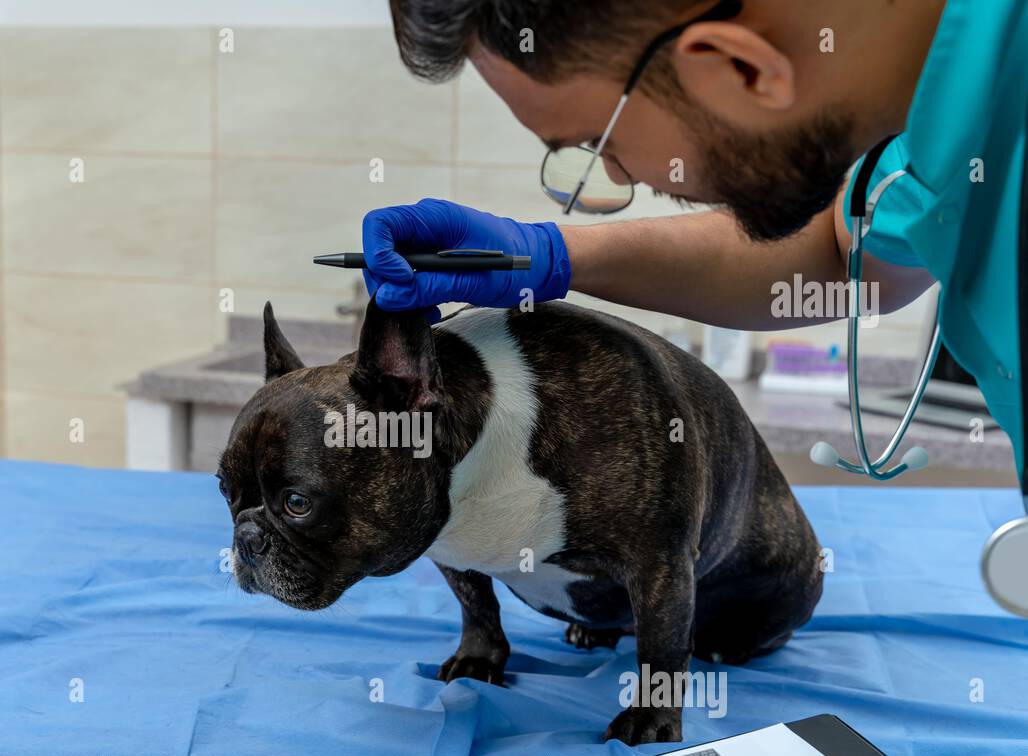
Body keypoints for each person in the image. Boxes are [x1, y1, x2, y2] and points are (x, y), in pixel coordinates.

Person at [361, 0, 1025, 485]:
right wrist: (548, 257)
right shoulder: (931, 128)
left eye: (598, 147)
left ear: (735, 64)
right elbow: (843, 255)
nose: (619, 177)